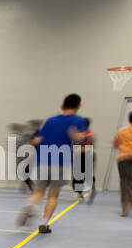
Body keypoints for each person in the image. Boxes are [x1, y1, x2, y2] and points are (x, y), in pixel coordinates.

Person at [19, 93, 87, 234]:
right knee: (53, 195)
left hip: (43, 159)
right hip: (61, 161)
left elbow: (37, 140)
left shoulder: (49, 120)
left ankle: (30, 205)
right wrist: (80, 136)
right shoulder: (78, 120)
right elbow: (78, 138)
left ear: (62, 106)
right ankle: (44, 224)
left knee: (39, 191)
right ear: (79, 105)